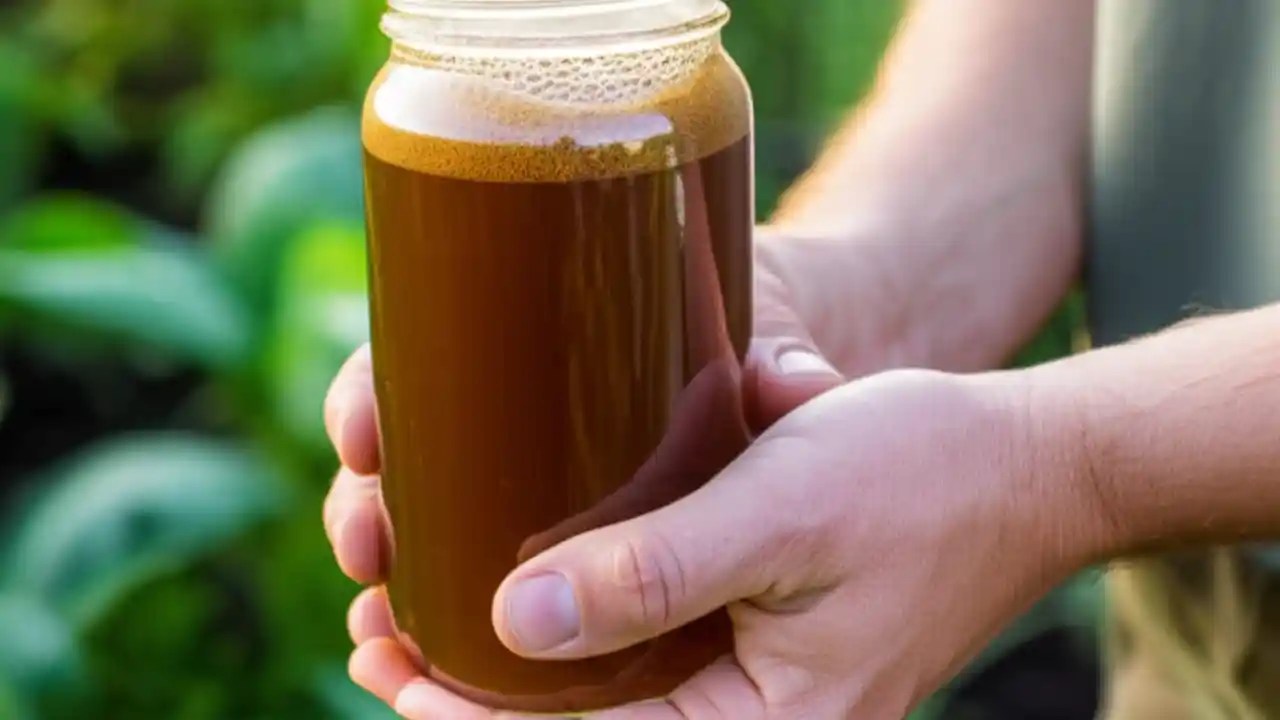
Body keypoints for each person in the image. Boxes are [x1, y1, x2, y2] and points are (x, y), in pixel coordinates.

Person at [323, 0, 1280, 717]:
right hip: (1199, 606)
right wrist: (863, 283)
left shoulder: (679, 99)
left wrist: (1062, 470)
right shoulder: (417, 104)